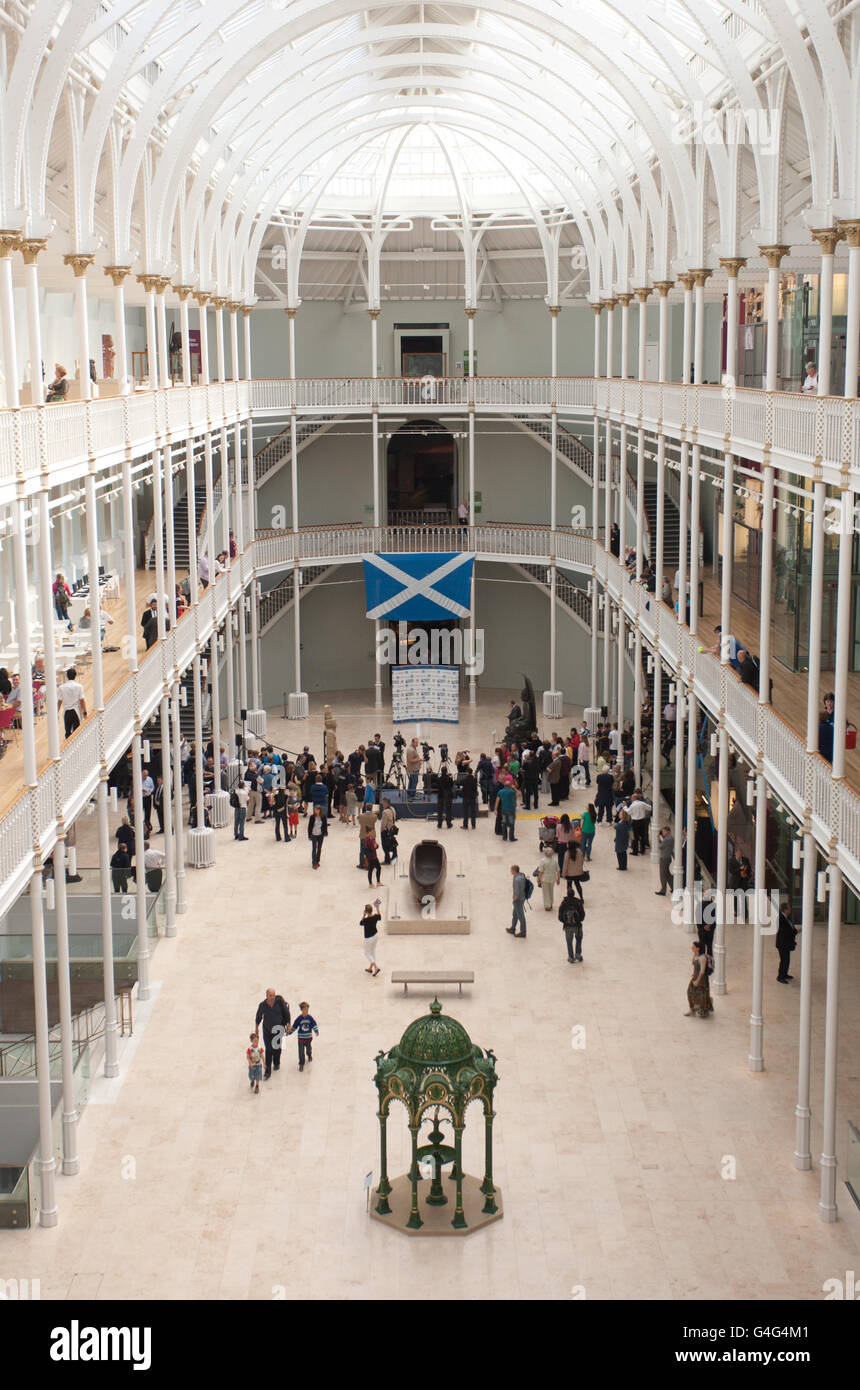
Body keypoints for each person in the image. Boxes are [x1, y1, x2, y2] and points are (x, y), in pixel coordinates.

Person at [254, 988, 291, 1079]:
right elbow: (258, 1017)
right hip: (267, 1030)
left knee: (277, 1048)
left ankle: (277, 1062)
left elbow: (287, 1013)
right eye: (270, 995)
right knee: (269, 1049)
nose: (272, 997)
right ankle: (267, 1072)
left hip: (279, 1029)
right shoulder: (262, 1005)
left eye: (273, 995)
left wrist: (289, 1024)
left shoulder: (279, 1002)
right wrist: (256, 1028)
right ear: (266, 996)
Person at [685, 940, 714, 1018]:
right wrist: (693, 975)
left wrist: (697, 981)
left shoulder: (702, 958)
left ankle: (703, 1009)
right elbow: (695, 968)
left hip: (701, 980)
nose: (692, 948)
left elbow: (702, 971)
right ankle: (692, 1009)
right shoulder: (695, 956)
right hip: (695, 977)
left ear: (698, 948)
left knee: (702, 995)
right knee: (690, 992)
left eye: (693, 947)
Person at [288, 1002, 319, 1072]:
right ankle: (301, 1064)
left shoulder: (310, 1018)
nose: (306, 1011)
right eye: (305, 1010)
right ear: (302, 1010)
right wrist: (290, 1032)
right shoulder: (299, 1019)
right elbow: (294, 1026)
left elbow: (314, 1024)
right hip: (301, 1038)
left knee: (308, 1049)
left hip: (308, 1038)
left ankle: (309, 1054)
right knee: (301, 1052)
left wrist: (316, 1031)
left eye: (307, 1010)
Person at [57, 667, 87, 739]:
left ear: (67, 676)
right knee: (77, 732)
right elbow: (82, 700)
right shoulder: (79, 687)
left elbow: (59, 701)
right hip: (76, 711)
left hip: (67, 712)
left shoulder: (61, 687)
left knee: (67, 732)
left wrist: (56, 712)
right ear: (75, 676)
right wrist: (85, 712)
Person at [559, 884, 585, 964]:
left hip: (567, 926)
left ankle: (571, 957)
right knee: (579, 939)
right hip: (577, 926)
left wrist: (565, 921)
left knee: (569, 942)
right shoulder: (578, 902)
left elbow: (560, 916)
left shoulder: (564, 903)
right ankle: (578, 954)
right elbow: (583, 915)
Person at [776, 904, 798, 983]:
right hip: (783, 944)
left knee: (786, 960)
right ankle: (780, 976)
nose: (790, 910)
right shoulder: (781, 918)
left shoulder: (785, 917)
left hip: (785, 943)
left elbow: (790, 927)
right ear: (785, 910)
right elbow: (786, 932)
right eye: (789, 908)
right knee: (784, 960)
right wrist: (795, 932)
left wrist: (795, 931)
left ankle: (784, 974)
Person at [627, 790, 652, 856]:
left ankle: (635, 851)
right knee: (642, 836)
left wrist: (624, 807)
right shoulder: (642, 803)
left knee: (634, 837)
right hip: (642, 821)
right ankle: (642, 850)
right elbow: (649, 808)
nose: (631, 799)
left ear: (634, 798)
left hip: (635, 822)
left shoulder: (633, 805)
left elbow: (628, 812)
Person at [536, 844, 560, 911]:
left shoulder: (542, 861)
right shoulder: (555, 861)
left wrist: (538, 879)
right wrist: (558, 879)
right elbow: (558, 870)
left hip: (545, 879)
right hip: (552, 878)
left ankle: (547, 905)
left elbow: (540, 871)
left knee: (546, 892)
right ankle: (551, 903)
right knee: (551, 891)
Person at [361, 903, 382, 977]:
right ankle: (370, 968)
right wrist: (377, 908)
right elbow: (379, 917)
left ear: (366, 911)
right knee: (372, 951)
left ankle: (376, 967)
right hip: (375, 936)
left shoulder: (366, 920)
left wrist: (364, 915)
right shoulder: (375, 917)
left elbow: (361, 923)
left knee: (367, 953)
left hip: (368, 938)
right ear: (372, 910)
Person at [508, 864, 528, 938]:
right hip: (522, 898)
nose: (510, 871)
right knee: (515, 914)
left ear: (513, 871)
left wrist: (514, 899)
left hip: (518, 900)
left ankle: (523, 932)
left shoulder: (516, 880)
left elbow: (516, 892)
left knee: (521, 916)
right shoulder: (521, 876)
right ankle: (512, 928)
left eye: (511, 870)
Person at [655, 826, 673, 895]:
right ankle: (672, 886)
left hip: (664, 858)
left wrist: (659, 840)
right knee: (667, 874)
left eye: (664, 831)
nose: (663, 833)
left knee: (662, 875)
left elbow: (660, 846)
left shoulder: (667, 839)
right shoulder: (669, 838)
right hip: (667, 857)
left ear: (667, 831)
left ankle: (663, 890)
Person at [818, 692, 835, 765]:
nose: (829, 703)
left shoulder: (837, 713)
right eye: (828, 701)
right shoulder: (823, 713)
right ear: (825, 702)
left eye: (831, 701)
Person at [308, 804, 327, 868]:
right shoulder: (312, 817)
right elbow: (310, 827)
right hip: (314, 834)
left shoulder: (323, 817)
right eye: (316, 810)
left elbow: (325, 825)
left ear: (320, 810)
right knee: (314, 849)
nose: (317, 811)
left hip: (320, 835)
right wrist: (309, 835)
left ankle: (317, 861)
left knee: (319, 848)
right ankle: (314, 863)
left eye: (318, 810)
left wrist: (325, 832)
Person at [380, 797, 398, 863]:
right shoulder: (393, 809)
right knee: (392, 842)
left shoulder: (385, 812)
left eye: (383, 802)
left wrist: (381, 831)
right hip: (392, 829)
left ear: (385, 803)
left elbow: (383, 823)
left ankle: (387, 860)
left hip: (386, 830)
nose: (382, 803)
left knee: (385, 845)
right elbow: (395, 817)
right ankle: (395, 855)